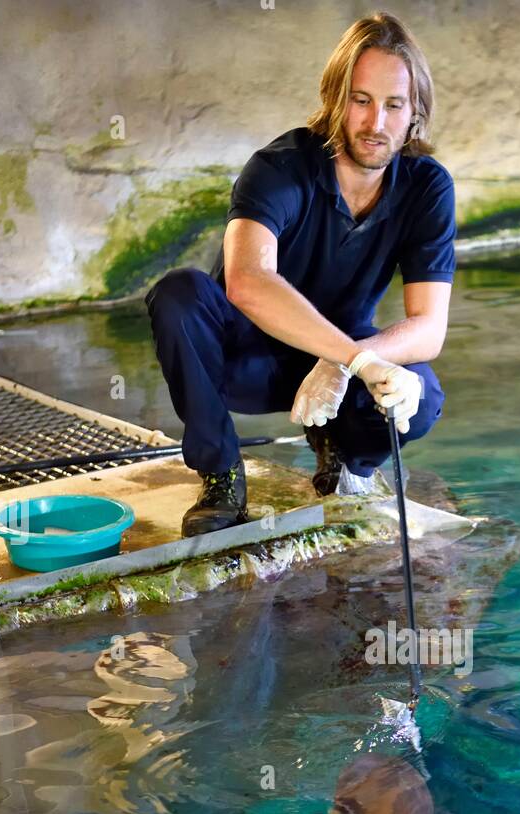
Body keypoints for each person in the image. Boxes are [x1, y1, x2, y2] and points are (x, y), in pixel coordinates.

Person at [144, 11, 456, 537]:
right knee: (178, 294)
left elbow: (430, 327)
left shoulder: (427, 186)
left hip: (340, 367)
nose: (375, 122)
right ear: (336, 99)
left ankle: (347, 460)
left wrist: (343, 365)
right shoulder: (281, 166)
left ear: (414, 113)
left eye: (393, 105)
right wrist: (353, 358)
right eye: (360, 100)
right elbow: (247, 281)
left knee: (419, 393)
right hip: (248, 358)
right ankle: (220, 474)